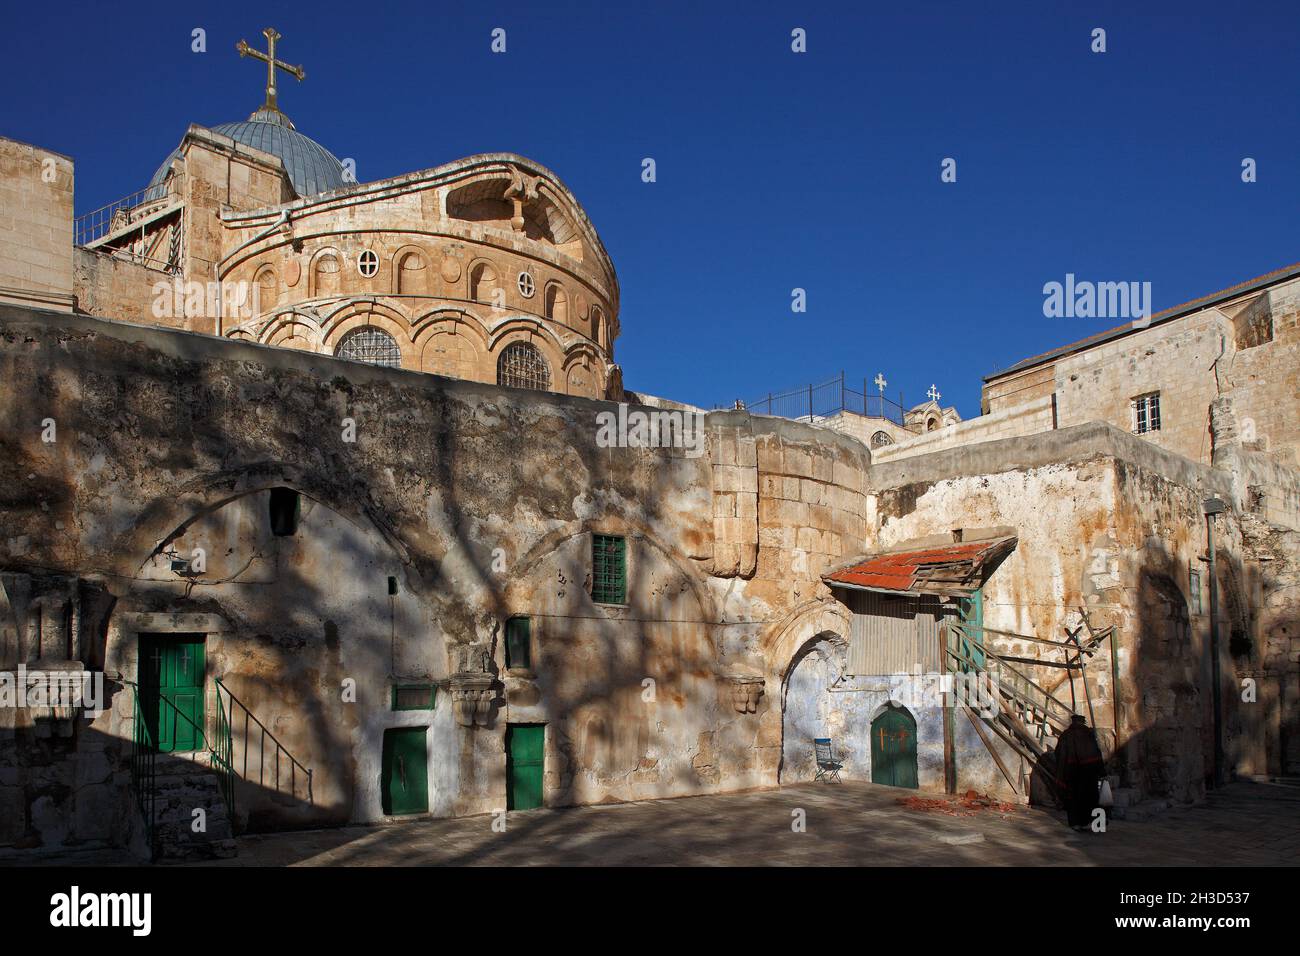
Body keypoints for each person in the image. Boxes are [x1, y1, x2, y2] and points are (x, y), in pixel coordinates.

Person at [1055, 714, 1105, 831]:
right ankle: (1093, 823)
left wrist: (1062, 770)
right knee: (1091, 797)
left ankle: (1075, 823)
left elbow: (1059, 753)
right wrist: (1101, 771)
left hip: (1072, 773)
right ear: (1083, 722)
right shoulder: (1089, 734)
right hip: (1089, 773)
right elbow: (1096, 753)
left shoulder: (1066, 735)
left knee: (1073, 798)